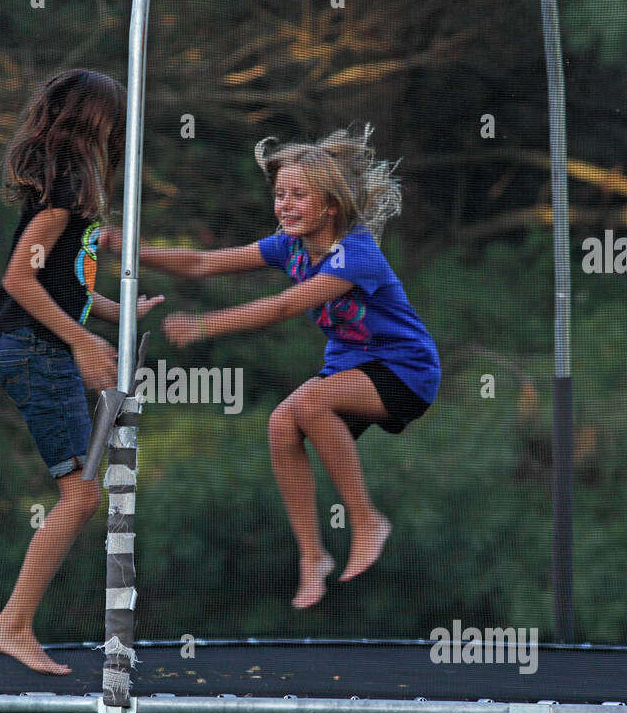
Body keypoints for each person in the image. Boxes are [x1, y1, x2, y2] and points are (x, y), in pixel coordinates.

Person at [103, 125, 439, 608]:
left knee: (310, 403)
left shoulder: (356, 254)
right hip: (352, 368)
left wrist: (207, 325)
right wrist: (128, 249)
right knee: (282, 422)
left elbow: (284, 306)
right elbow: (201, 263)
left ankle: (366, 520)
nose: (285, 205)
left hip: (405, 372)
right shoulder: (291, 247)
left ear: (331, 206)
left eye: (299, 196)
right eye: (280, 195)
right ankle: (312, 556)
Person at [0, 68, 161, 674]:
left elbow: (64, 287)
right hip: (36, 352)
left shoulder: (72, 199)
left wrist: (118, 312)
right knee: (82, 496)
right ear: (95, 124)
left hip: (40, 347)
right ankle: (11, 623)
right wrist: (83, 343)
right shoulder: (59, 198)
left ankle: (13, 622)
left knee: (83, 495)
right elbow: (18, 280)